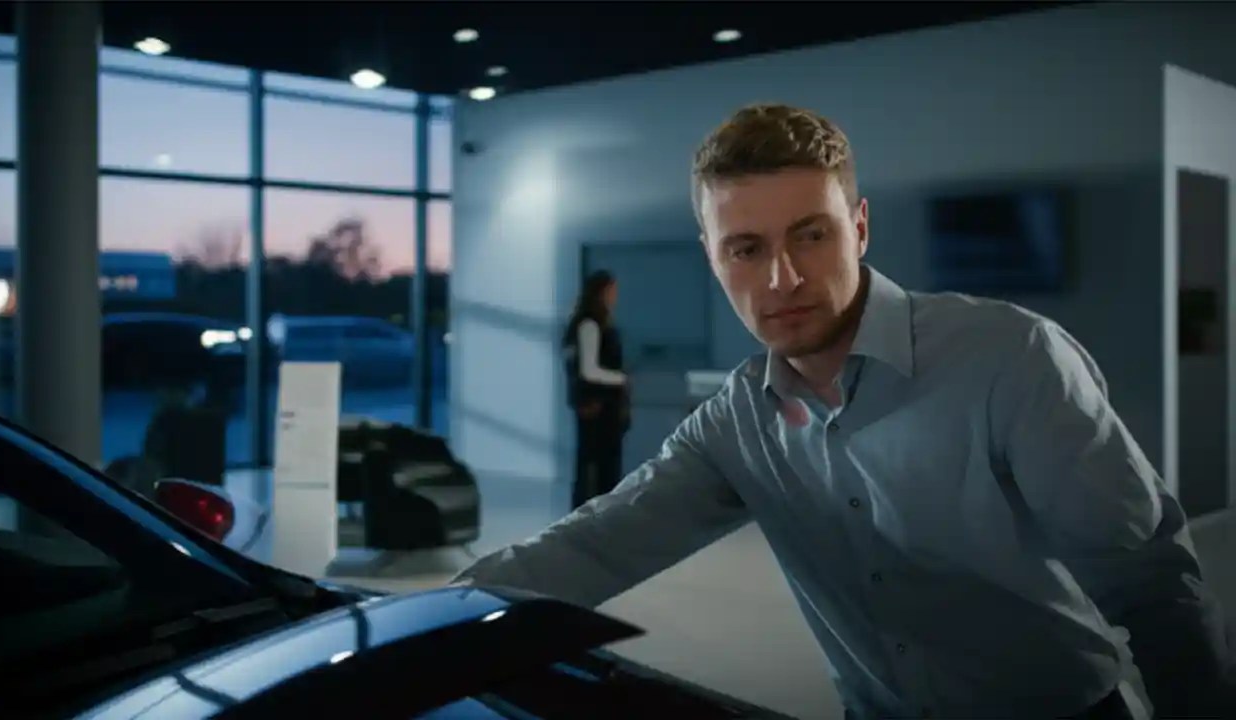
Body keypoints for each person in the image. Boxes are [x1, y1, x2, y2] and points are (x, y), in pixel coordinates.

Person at [452, 104, 1232, 719]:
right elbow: (596, 544)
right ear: (714, 257)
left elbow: (1155, 587)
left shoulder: (1010, 357)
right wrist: (418, 624)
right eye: (746, 249)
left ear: (858, 227)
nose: (782, 278)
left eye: (811, 236)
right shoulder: (735, 422)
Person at [562, 270, 630, 510]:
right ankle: (591, 512)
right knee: (596, 464)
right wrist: (620, 378)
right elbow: (588, 369)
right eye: (611, 291)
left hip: (602, 407)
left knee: (601, 463)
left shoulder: (597, 324)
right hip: (597, 407)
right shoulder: (589, 325)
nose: (615, 296)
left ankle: (599, 512)